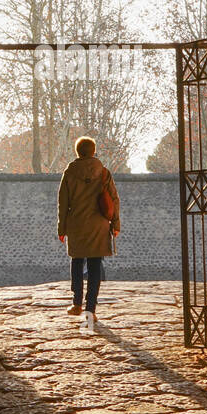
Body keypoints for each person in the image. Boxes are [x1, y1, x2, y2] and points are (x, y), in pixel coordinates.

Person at [57, 136, 120, 324]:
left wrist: (62, 228)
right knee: (94, 265)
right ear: (93, 151)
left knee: (76, 261)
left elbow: (63, 202)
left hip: (76, 224)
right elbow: (114, 200)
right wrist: (115, 224)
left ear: (78, 152)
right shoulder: (103, 173)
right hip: (98, 225)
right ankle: (90, 309)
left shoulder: (69, 173)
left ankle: (76, 303)